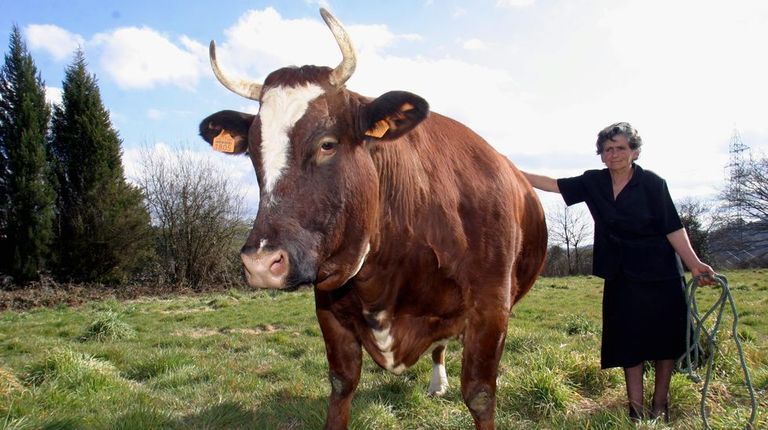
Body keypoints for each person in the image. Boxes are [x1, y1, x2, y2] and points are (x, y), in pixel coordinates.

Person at [522, 122, 715, 422]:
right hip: (620, 275)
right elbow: (553, 184)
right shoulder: (594, 182)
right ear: (601, 154)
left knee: (665, 343)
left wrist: (694, 263)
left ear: (634, 152)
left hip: (660, 274)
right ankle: (636, 411)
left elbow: (673, 228)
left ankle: (660, 405)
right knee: (628, 343)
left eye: (621, 148)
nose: (614, 154)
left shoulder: (653, 184)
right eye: (607, 149)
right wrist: (508, 168)